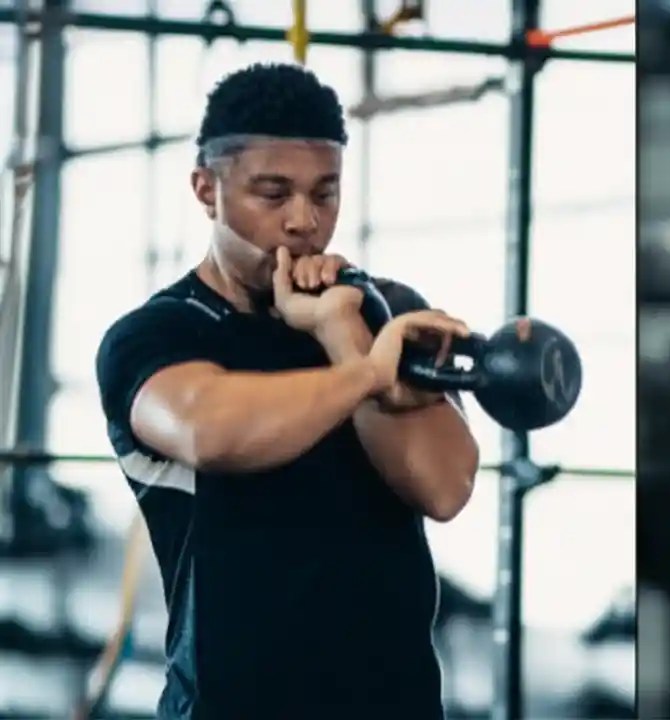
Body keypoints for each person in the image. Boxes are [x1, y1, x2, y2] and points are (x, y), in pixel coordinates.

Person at [94, 62, 480, 719]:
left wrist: (341, 332)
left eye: (324, 194)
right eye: (272, 194)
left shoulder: (375, 312)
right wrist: (363, 374)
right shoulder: (155, 335)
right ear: (206, 189)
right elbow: (209, 432)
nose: (304, 221)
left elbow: (442, 487)